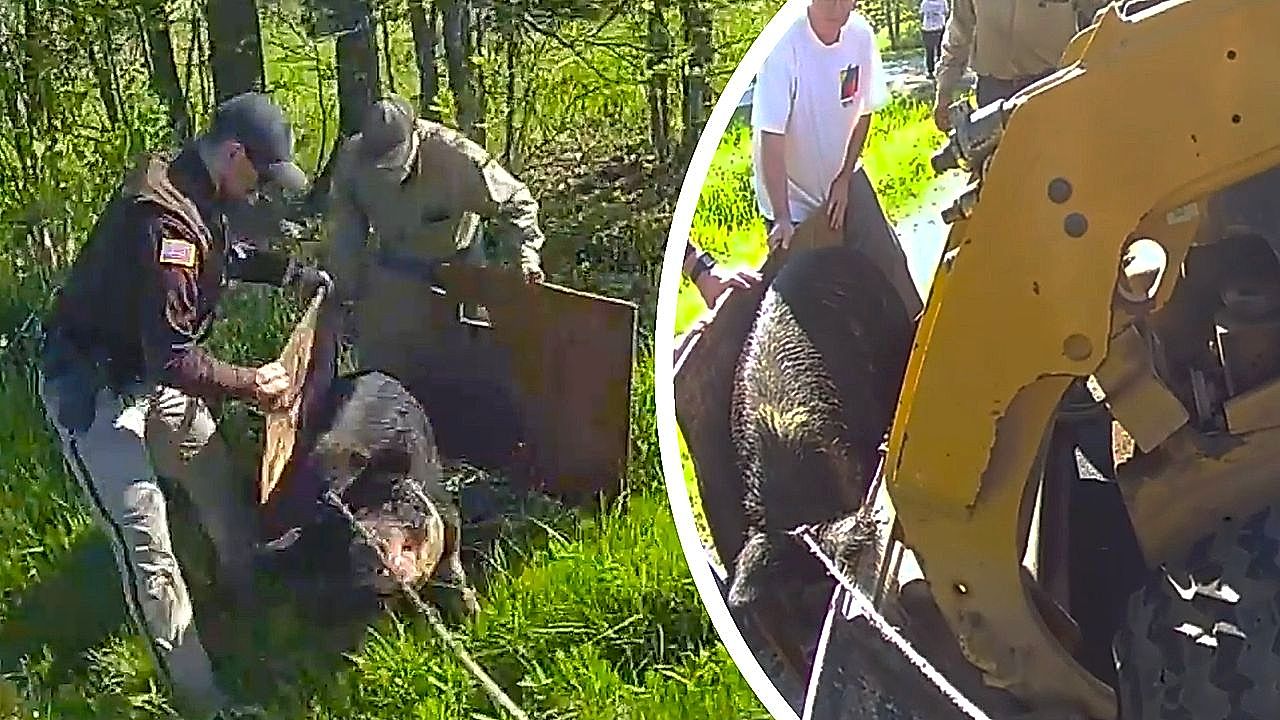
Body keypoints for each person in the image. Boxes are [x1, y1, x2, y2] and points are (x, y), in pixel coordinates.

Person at [36, 92, 329, 720]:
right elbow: (173, 359)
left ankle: (252, 599)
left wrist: (287, 273)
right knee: (149, 548)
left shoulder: (196, 186)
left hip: (147, 372)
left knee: (215, 477)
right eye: (261, 175)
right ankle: (204, 702)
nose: (262, 190)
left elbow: (222, 253)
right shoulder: (162, 225)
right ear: (234, 154)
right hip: (94, 390)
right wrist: (251, 383)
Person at [323, 95, 549, 382]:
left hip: (459, 270)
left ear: (415, 135)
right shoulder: (352, 161)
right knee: (387, 374)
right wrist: (345, 292)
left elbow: (518, 203)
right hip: (396, 273)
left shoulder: (457, 157)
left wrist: (527, 256)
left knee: (467, 369)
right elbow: (346, 232)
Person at [752, 0, 923, 319]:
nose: (837, 5)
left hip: (844, 177)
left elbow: (864, 112)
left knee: (890, 263)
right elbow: (771, 138)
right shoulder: (783, 45)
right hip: (792, 199)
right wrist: (782, 217)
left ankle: (920, 336)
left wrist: (844, 178)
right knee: (816, 304)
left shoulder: (860, 36)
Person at [932, 0, 1110, 131]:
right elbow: (959, 32)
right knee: (994, 166)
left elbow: (1104, 17)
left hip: (1051, 87)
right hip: (992, 93)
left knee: (1050, 163)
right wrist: (944, 90)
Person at [919, 0, 948, 78]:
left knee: (929, 51)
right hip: (940, 27)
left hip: (928, 28)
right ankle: (940, 69)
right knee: (940, 49)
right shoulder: (943, 1)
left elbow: (922, 14)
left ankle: (930, 71)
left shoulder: (925, 2)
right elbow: (946, 13)